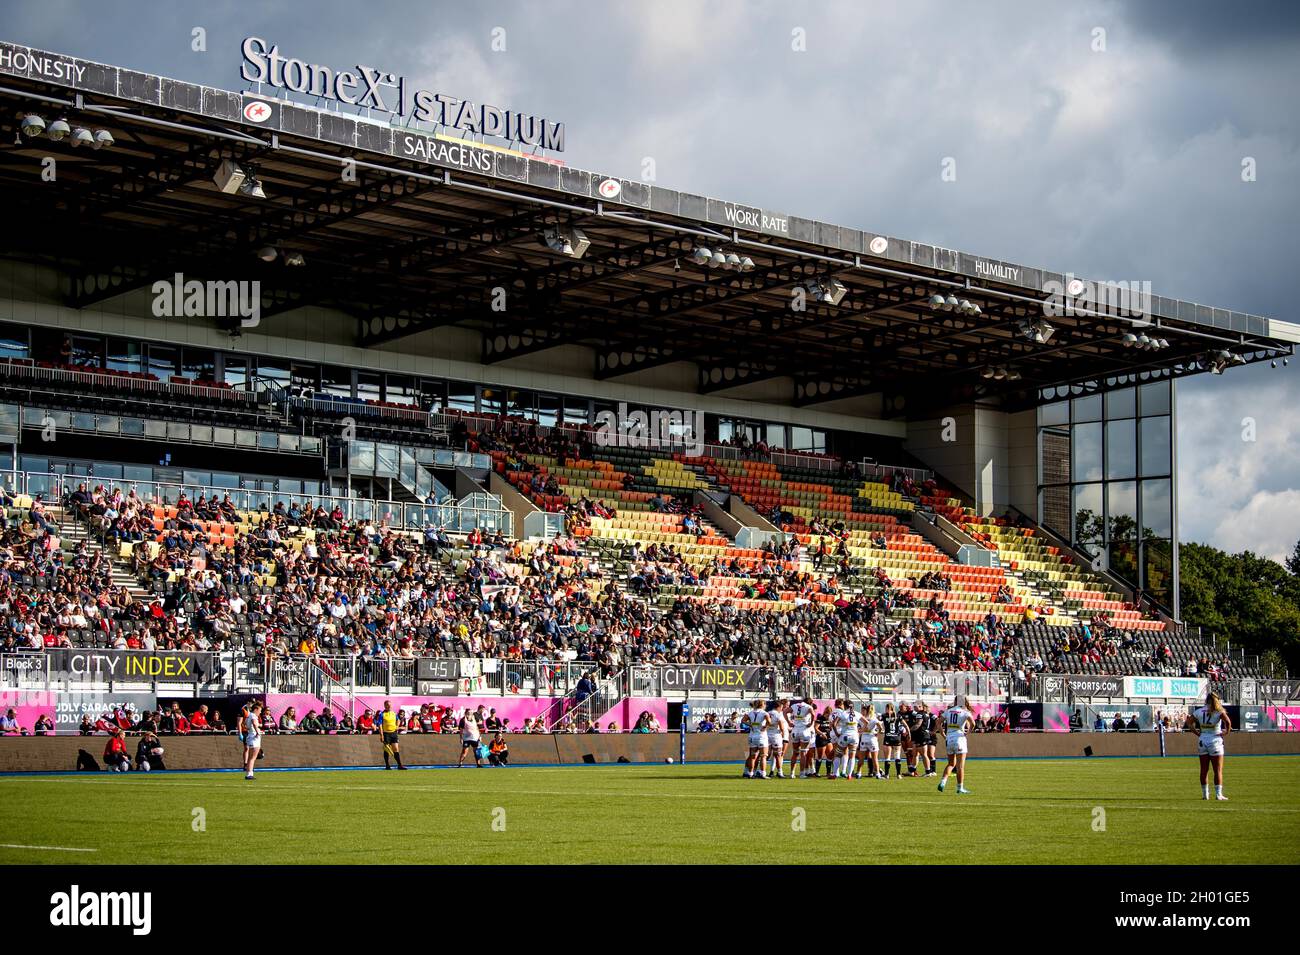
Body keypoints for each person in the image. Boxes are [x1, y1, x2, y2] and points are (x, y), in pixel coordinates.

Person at [1186, 692, 1231, 801]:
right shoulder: (1219, 711)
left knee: (1204, 769)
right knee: (1218, 770)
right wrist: (1225, 732)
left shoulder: (1199, 711)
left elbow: (1189, 723)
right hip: (1215, 740)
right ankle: (1218, 794)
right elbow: (1228, 723)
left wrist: (1197, 733)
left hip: (1202, 740)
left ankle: (1205, 795)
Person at [937, 695, 974, 794]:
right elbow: (973, 724)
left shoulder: (949, 711)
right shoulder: (965, 712)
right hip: (960, 738)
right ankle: (960, 788)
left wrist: (943, 734)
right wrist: (967, 732)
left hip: (949, 739)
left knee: (950, 764)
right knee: (960, 766)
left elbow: (938, 723)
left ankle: (943, 782)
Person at [787, 696, 817, 778]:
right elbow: (813, 714)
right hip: (804, 730)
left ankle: (792, 773)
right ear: (810, 703)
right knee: (803, 753)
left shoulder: (795, 705)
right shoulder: (808, 707)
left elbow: (785, 711)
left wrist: (789, 722)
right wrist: (810, 723)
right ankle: (802, 773)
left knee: (795, 753)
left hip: (795, 730)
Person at [831, 698, 859, 779]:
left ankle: (835, 774)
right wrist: (859, 731)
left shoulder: (843, 713)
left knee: (838, 754)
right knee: (852, 756)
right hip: (854, 736)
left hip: (844, 736)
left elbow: (834, 724)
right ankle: (849, 775)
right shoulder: (857, 713)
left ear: (845, 705)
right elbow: (866, 723)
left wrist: (837, 733)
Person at [743, 699, 770, 779]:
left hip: (752, 735)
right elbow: (769, 721)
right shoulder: (764, 713)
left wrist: (750, 724)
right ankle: (763, 773)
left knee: (752, 756)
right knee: (763, 756)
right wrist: (765, 727)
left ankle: (750, 773)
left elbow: (743, 721)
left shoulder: (750, 713)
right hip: (761, 736)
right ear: (762, 705)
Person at [855, 703, 883, 779]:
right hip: (872, 738)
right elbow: (880, 728)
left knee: (861, 758)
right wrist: (879, 731)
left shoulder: (862, 718)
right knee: (875, 758)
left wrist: (861, 730)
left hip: (864, 738)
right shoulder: (874, 718)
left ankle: (858, 773)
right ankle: (877, 774)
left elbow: (858, 728)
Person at [881, 702, 908, 779]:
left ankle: (887, 775)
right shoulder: (898, 716)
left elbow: (878, 722)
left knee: (887, 757)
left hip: (888, 738)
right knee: (897, 756)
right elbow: (905, 725)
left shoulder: (884, 715)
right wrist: (908, 733)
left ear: (887, 708)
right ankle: (898, 775)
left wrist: (880, 730)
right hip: (896, 738)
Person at [765, 699, 790, 778]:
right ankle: (779, 772)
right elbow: (781, 726)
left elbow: (765, 724)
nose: (787, 706)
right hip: (777, 735)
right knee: (778, 754)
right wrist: (782, 733)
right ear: (780, 706)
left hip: (767, 734)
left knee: (766, 754)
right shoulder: (779, 714)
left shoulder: (767, 713)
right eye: (786, 705)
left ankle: (760, 771)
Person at [379, 699, 406, 770]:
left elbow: (398, 720)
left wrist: (397, 726)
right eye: (387, 705)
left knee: (396, 749)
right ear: (385, 706)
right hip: (386, 733)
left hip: (393, 733)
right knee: (387, 749)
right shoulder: (382, 714)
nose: (389, 706)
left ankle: (400, 765)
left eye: (390, 705)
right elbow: (380, 725)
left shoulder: (394, 713)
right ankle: (387, 765)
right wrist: (381, 735)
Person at [240, 702, 263, 780]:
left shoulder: (249, 715)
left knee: (251, 757)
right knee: (252, 757)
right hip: (254, 737)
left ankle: (249, 773)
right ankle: (249, 774)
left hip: (250, 736)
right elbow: (254, 723)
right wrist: (257, 731)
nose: (260, 712)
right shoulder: (253, 716)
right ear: (256, 709)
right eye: (260, 710)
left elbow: (244, 724)